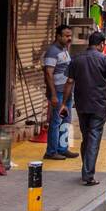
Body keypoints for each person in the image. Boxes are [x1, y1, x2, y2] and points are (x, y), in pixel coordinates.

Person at [59, 32, 106, 186]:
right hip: (98, 105)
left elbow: (69, 82)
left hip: (81, 104)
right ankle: (88, 175)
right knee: (93, 138)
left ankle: (85, 168)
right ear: (101, 44)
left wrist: (63, 103)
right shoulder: (105, 59)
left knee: (86, 137)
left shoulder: (77, 59)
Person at [43, 24, 76, 160]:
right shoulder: (52, 51)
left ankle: (62, 148)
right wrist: (53, 95)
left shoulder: (64, 49)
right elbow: (48, 74)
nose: (69, 38)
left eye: (70, 35)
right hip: (58, 93)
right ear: (58, 36)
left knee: (65, 121)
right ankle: (51, 151)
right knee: (56, 122)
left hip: (66, 93)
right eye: (66, 36)